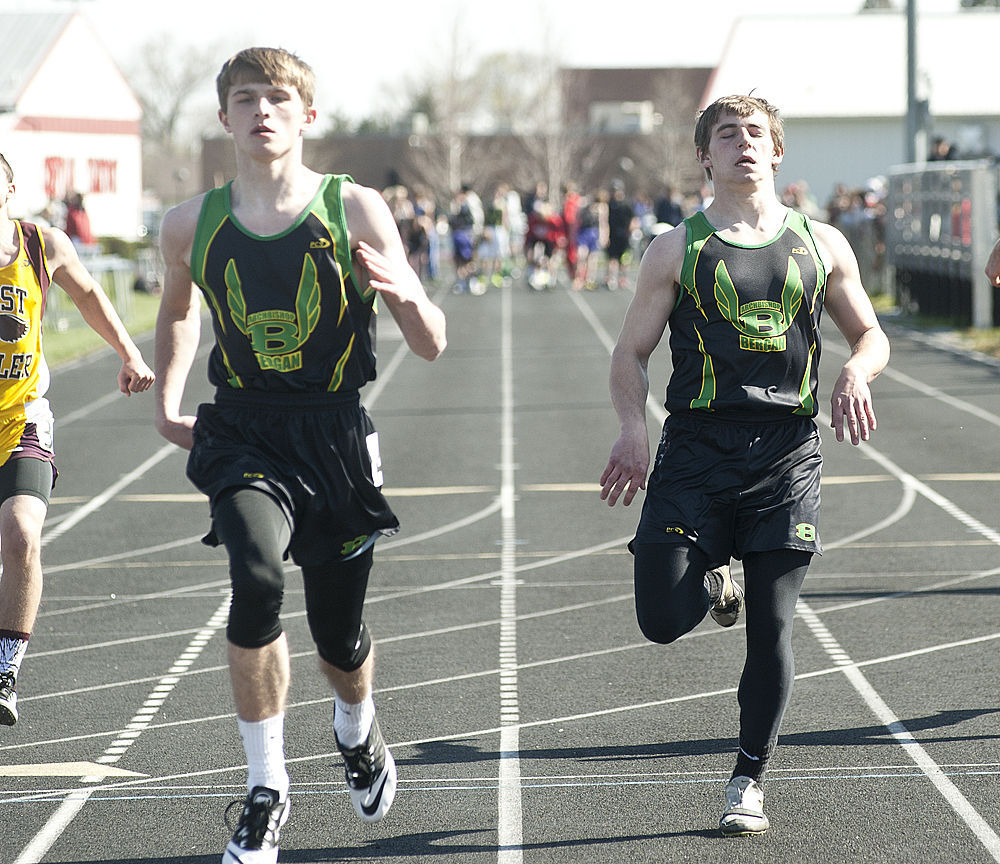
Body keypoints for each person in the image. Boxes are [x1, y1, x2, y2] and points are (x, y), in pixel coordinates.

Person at [154, 48, 446, 864]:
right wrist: (166, 398)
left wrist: (402, 295)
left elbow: (431, 342)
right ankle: (266, 787)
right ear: (224, 118)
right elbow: (178, 313)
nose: (262, 111)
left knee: (337, 637)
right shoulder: (189, 222)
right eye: (245, 99)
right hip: (243, 428)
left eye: (279, 98)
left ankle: (356, 728)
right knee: (256, 578)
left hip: (336, 432)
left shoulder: (355, 209)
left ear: (306, 115)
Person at [599, 94, 889, 837]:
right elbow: (630, 352)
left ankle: (748, 780)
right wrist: (632, 428)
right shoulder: (677, 248)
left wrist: (856, 373)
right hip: (694, 451)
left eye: (756, 133)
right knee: (661, 620)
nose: (743, 144)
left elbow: (871, 335)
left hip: (785, 454)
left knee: (773, 626)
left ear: (777, 151)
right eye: (727, 135)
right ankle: (712, 576)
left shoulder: (821, 243)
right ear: (706, 157)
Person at [0, 153, 155, 726]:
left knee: (20, 532)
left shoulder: (42, 245)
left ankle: (4, 669)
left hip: (20, 419)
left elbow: (90, 296)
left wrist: (129, 353)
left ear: (10, 187)